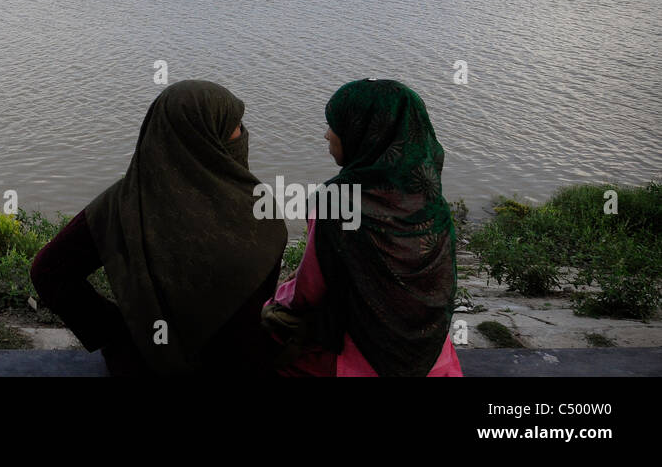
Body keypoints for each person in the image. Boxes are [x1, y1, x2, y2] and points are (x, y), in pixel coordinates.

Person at [30, 80, 287, 376]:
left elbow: (49, 272)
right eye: (234, 124)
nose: (243, 133)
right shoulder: (257, 209)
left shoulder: (125, 203)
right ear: (204, 136)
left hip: (144, 364)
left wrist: (119, 333)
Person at [261, 78, 462, 376]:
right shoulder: (431, 202)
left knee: (267, 332)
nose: (327, 135)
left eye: (334, 126)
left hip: (360, 359)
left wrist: (275, 299)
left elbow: (306, 293)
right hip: (431, 357)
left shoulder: (335, 202)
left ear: (364, 133)